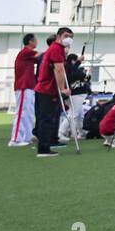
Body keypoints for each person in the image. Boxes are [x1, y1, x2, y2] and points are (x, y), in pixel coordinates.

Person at [35, 27, 74, 158]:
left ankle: (44, 147)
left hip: (44, 89)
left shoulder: (55, 48)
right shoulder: (57, 48)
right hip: (48, 90)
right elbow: (59, 69)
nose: (69, 39)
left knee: (45, 119)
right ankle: (44, 149)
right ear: (59, 36)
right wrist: (62, 89)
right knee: (47, 120)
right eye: (67, 35)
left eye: (71, 37)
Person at [9, 34, 38, 147]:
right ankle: (15, 139)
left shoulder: (29, 55)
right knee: (22, 113)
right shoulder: (26, 52)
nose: (37, 42)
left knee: (29, 114)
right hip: (23, 87)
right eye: (35, 40)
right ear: (30, 41)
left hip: (29, 87)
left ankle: (26, 137)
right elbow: (42, 55)